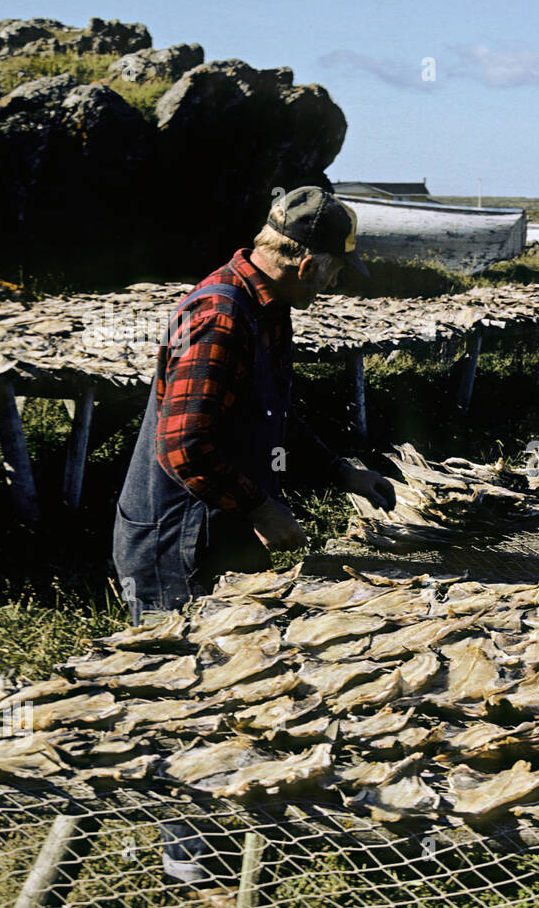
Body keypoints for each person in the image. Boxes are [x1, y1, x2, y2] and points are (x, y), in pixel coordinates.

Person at [112, 186, 396, 626]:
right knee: (181, 675)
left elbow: (273, 411)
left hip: (221, 526)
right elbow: (184, 447)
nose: (334, 285)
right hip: (178, 542)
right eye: (335, 272)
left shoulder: (268, 309)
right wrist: (260, 507)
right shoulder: (220, 317)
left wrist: (341, 472)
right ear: (306, 266)